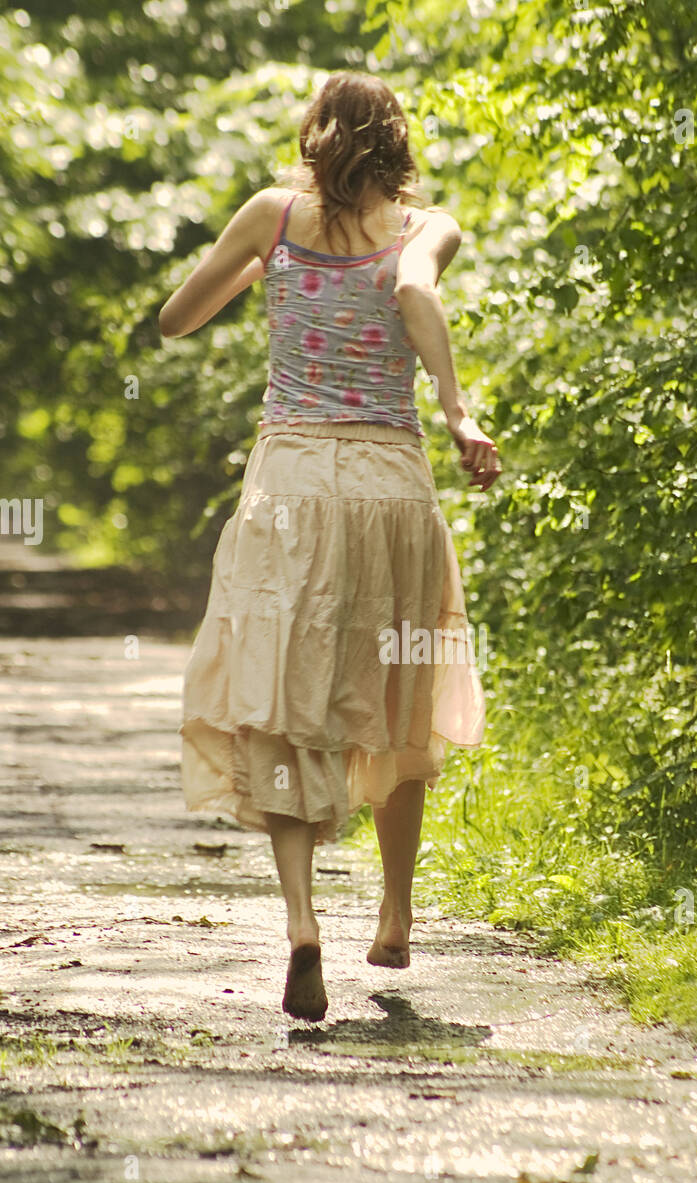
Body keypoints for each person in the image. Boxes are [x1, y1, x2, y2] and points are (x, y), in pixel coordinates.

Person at [159, 70, 500, 1023]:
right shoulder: (424, 229)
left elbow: (177, 316)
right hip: (392, 484)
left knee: (284, 699)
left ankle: (304, 924)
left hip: (294, 485)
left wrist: (255, 271)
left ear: (316, 134)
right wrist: (459, 412)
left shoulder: (272, 215)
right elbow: (413, 291)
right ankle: (392, 917)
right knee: (400, 693)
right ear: (396, 141)